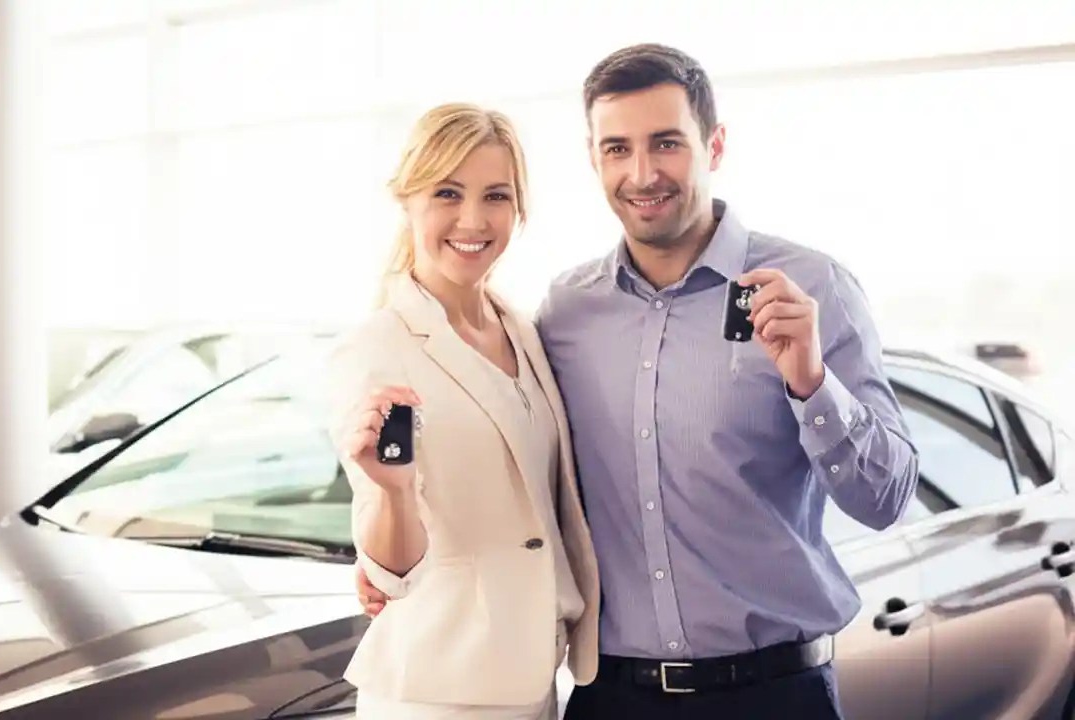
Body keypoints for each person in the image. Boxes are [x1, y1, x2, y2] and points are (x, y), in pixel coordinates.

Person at [357, 44, 920, 720]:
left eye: (666, 144)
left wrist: (812, 382)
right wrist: (390, 551)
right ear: (594, 159)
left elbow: (887, 498)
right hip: (611, 700)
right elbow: (521, 470)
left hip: (773, 696)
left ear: (714, 145)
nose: (643, 173)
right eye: (617, 149)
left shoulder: (813, 287)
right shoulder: (565, 314)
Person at [326, 103, 601, 719]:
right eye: (448, 193)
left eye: (496, 196)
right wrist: (393, 494)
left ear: (519, 210)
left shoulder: (524, 331)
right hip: (440, 692)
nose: (473, 219)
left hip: (532, 682)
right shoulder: (377, 348)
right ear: (408, 202)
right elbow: (391, 574)